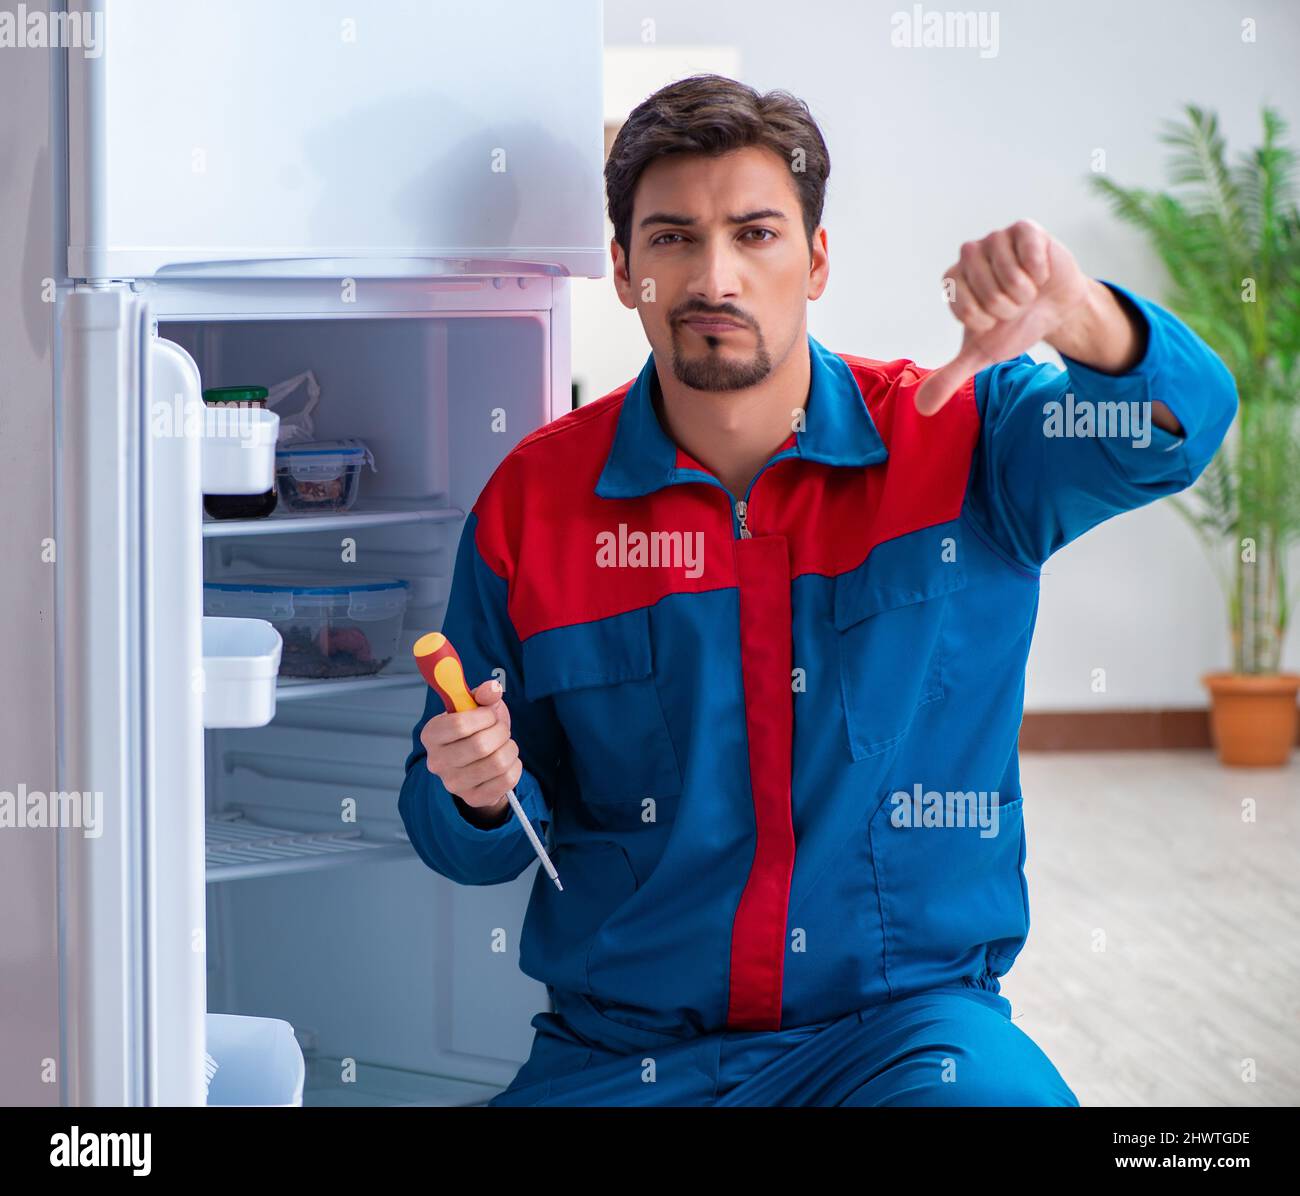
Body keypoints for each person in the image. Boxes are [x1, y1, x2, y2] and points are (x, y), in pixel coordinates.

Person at [397, 74, 1237, 1106]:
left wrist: (1081, 317)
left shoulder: (961, 438)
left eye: (755, 233)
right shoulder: (534, 503)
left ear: (816, 259)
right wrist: (477, 795)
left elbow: (1180, 428)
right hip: (625, 1056)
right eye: (671, 238)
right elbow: (458, 835)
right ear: (622, 271)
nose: (715, 275)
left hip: (905, 1038)